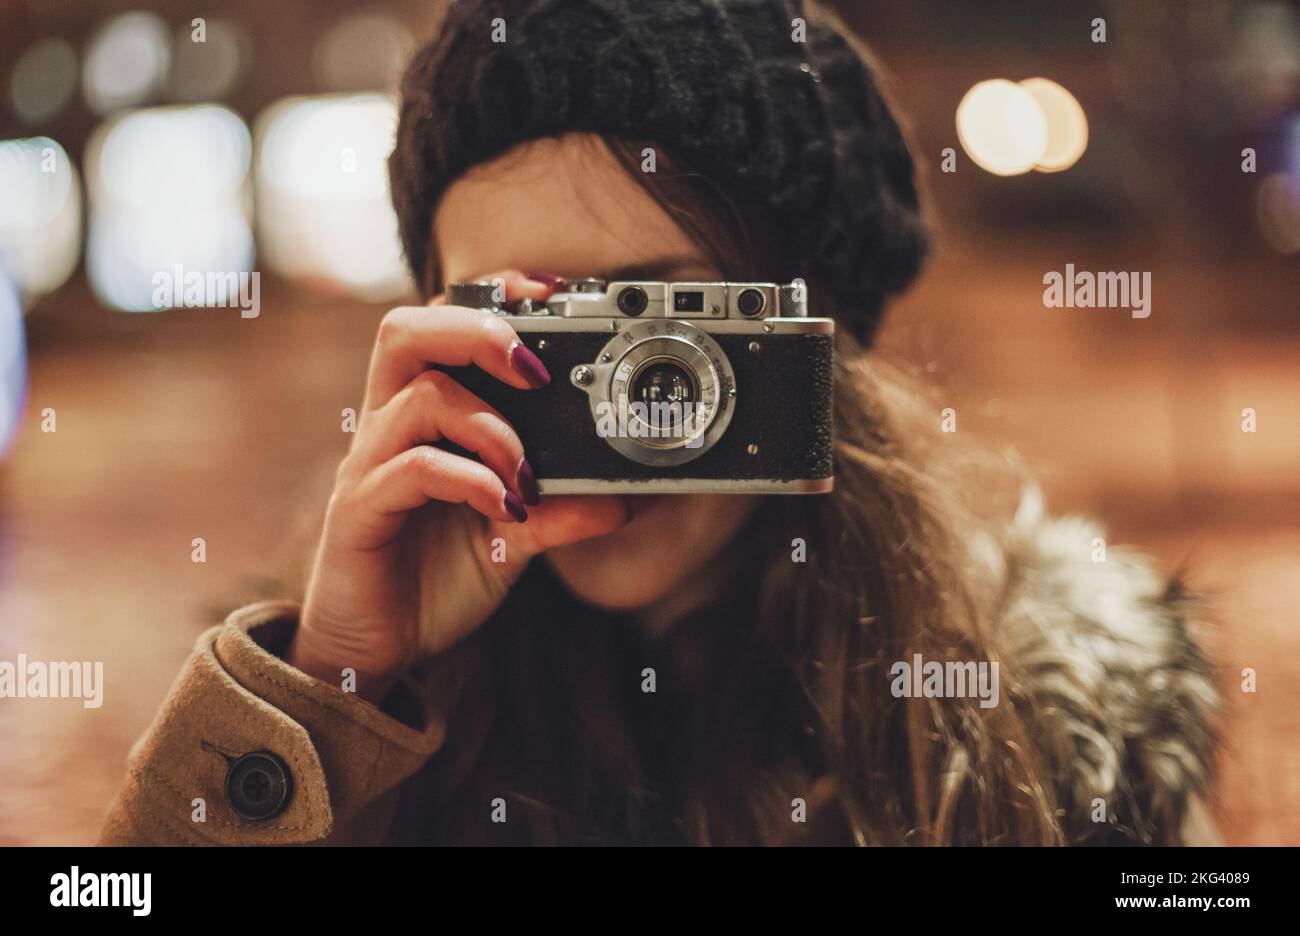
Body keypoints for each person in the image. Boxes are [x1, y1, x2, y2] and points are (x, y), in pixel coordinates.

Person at [101, 0, 1220, 846]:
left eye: (669, 325)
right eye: (530, 329)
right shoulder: (348, 710)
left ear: (810, 341)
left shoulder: (1052, 734)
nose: (608, 400)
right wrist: (330, 695)